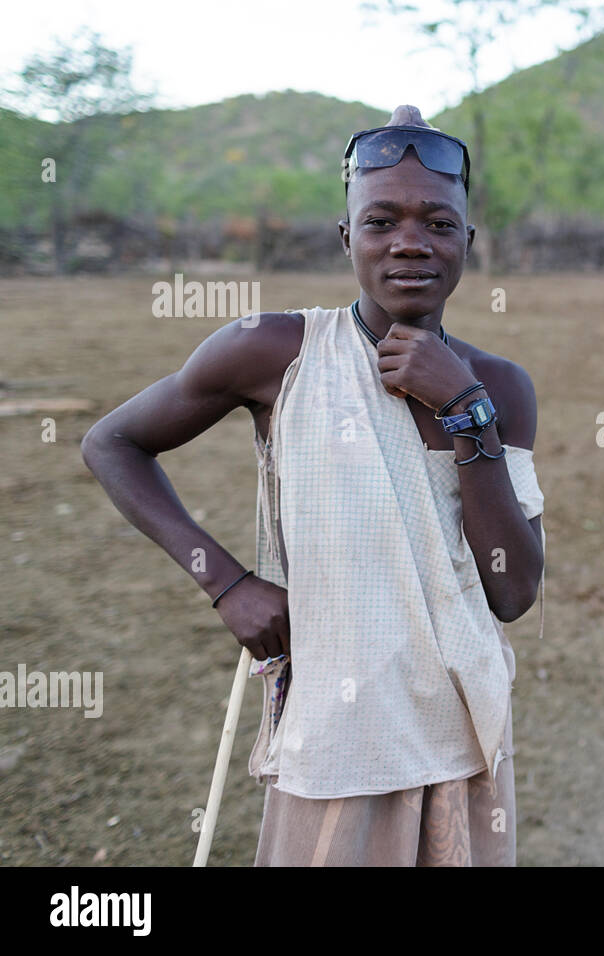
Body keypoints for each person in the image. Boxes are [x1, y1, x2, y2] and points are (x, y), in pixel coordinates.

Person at [80, 105, 545, 866]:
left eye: (437, 222)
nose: (409, 242)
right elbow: (112, 444)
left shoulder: (499, 388)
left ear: (468, 240)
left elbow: (513, 592)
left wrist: (466, 412)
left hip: (465, 739)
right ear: (345, 237)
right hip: (337, 740)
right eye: (381, 220)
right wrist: (225, 583)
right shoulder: (275, 352)